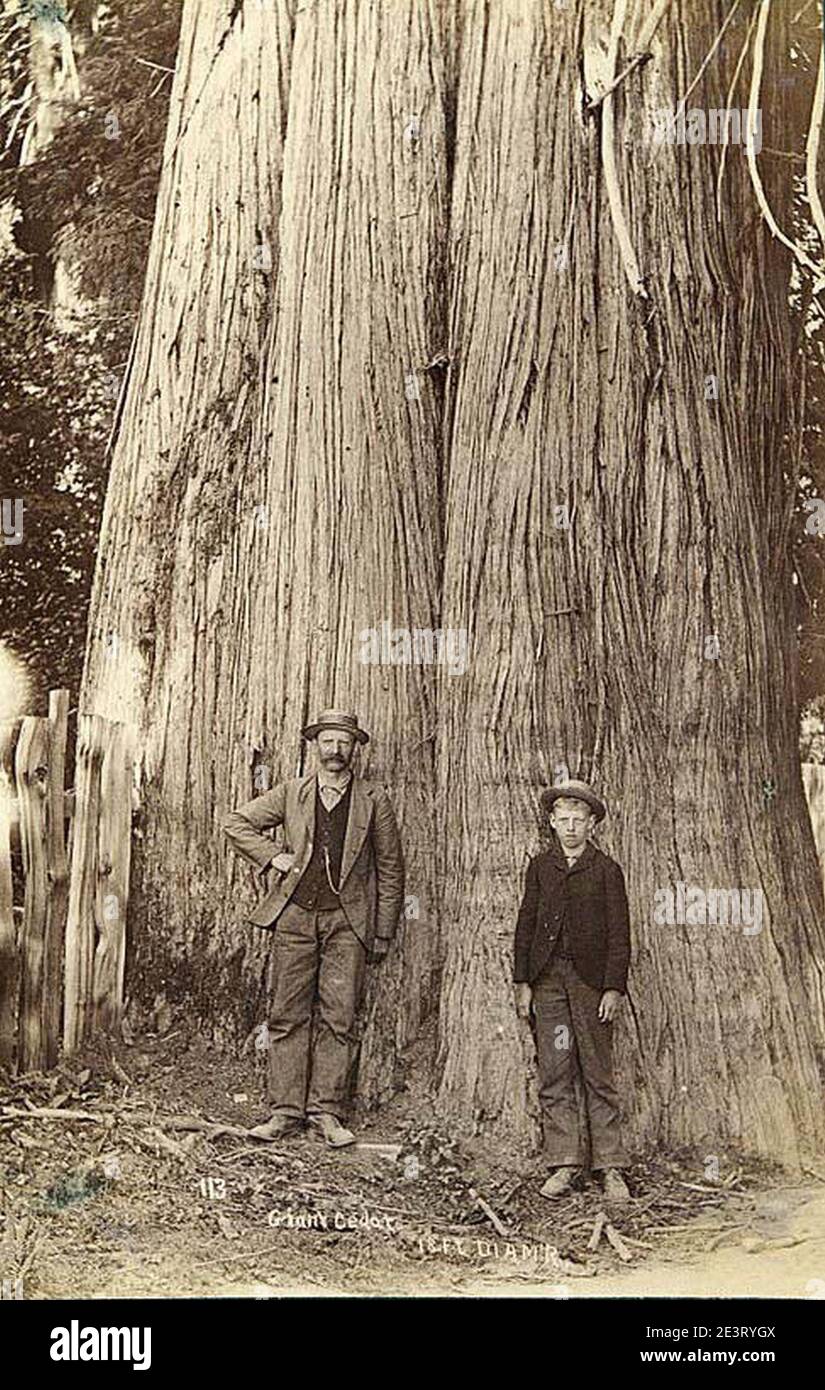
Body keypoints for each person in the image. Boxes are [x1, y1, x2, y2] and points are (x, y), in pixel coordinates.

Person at [222, 709, 404, 1147]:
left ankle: (326, 1113)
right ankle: (284, 1112)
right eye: (328, 741)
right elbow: (235, 823)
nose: (335, 750)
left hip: (347, 922)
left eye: (344, 742)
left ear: (354, 748)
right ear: (315, 745)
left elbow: (391, 868)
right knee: (287, 1014)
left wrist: (381, 932)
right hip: (296, 918)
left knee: (339, 1017)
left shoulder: (373, 799)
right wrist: (274, 856)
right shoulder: (292, 792)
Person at [513, 779, 631, 1202]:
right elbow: (526, 924)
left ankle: (610, 1166)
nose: (570, 828)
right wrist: (524, 981)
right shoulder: (541, 867)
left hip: (589, 984)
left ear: (591, 824)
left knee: (597, 1071)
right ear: (551, 821)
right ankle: (564, 1162)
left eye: (578, 820)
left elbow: (620, 935)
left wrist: (612, 988)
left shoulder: (606, 870)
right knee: (556, 1068)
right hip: (549, 985)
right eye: (563, 820)